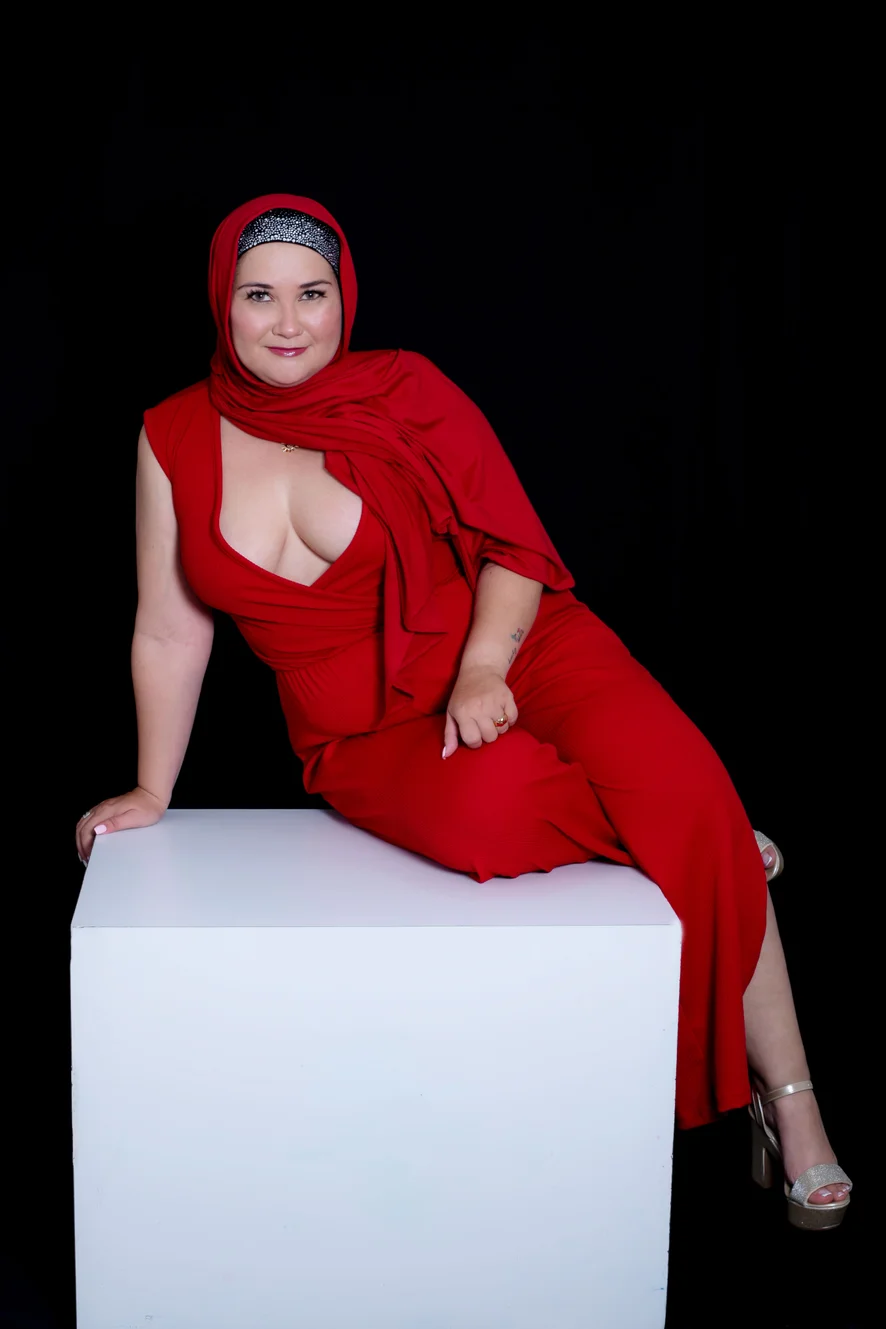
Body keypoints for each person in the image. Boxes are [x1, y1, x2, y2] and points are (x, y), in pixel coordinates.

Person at [74, 193, 851, 1228]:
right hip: (361, 727)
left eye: (313, 293)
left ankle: (791, 1109)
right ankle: (691, 832)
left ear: (344, 298)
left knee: (684, 788)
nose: (289, 321)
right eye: (260, 295)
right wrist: (150, 789)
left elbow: (513, 545)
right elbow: (171, 631)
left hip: (520, 646)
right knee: (498, 811)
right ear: (223, 301)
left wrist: (485, 667)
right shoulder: (170, 435)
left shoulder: (405, 388)